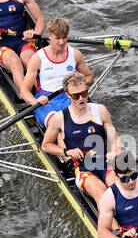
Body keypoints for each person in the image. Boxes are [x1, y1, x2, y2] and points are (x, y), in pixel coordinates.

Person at [41, 70, 115, 202]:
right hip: (81, 168)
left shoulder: (100, 110)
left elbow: (114, 137)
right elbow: (46, 146)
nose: (81, 98)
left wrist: (115, 150)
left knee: (119, 191)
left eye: (84, 93)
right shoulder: (59, 118)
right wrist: (66, 151)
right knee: (104, 197)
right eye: (76, 96)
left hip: (104, 161)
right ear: (68, 95)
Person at [19, 18, 95, 125]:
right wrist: (35, 102)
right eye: (58, 38)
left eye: (64, 38)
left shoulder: (75, 54)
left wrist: (77, 85)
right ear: (49, 36)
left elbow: (89, 77)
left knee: (84, 123)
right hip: (47, 102)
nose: (62, 42)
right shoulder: (38, 58)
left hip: (70, 97)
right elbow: (24, 91)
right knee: (59, 125)